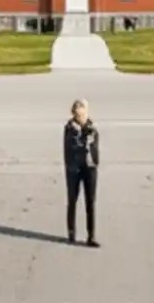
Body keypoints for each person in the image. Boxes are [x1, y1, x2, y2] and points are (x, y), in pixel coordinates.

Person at [63, 97, 100, 247]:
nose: (81, 118)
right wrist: (80, 136)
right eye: (78, 116)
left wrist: (94, 163)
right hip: (74, 169)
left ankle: (91, 235)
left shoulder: (92, 128)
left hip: (89, 168)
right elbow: (71, 148)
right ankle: (71, 232)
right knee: (72, 199)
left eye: (83, 115)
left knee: (90, 202)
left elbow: (94, 147)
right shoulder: (70, 129)